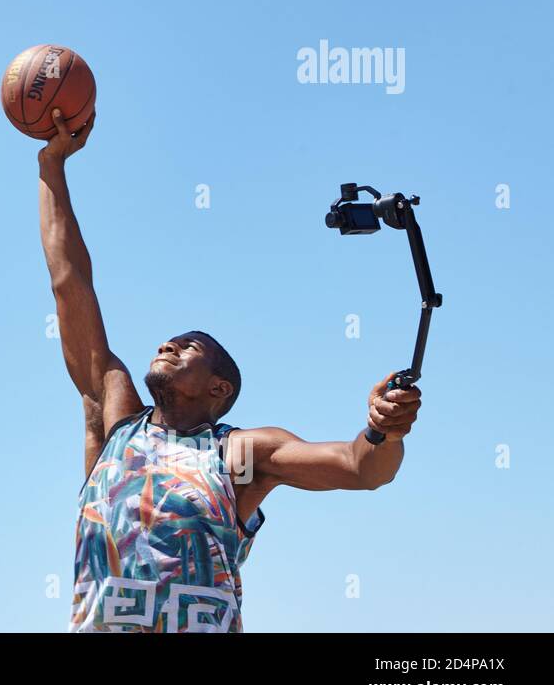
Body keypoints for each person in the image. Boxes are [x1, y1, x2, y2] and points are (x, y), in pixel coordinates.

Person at [37, 108, 423, 632]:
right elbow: (69, 282)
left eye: (189, 346)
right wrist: (52, 166)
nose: (168, 344)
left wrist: (384, 429)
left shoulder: (238, 455)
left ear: (219, 387)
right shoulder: (115, 421)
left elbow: (361, 468)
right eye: (171, 340)